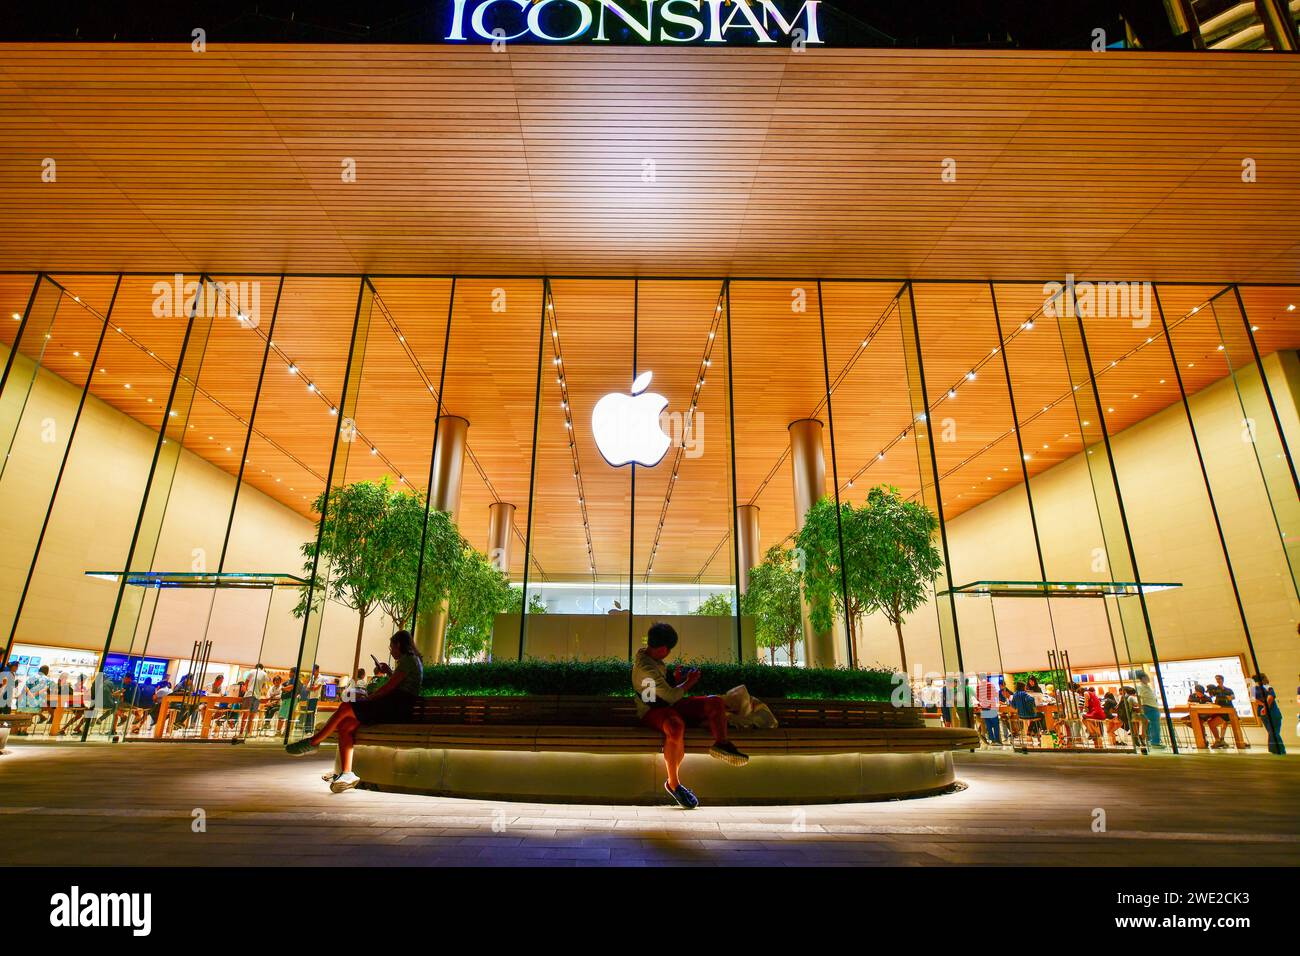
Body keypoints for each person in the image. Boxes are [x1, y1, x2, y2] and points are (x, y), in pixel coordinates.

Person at [285, 631, 423, 793]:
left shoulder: (408, 660)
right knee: (346, 725)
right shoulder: (412, 660)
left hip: (395, 707)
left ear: (399, 644)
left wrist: (370, 698)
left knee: (345, 707)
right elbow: (401, 682)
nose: (391, 651)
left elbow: (391, 687)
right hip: (396, 706)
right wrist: (388, 673)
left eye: (391, 647)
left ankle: (313, 742)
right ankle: (347, 773)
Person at [630, 621, 749, 809]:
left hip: (669, 705)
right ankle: (673, 783)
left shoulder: (651, 658)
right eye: (668, 649)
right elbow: (667, 696)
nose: (668, 653)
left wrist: (677, 681)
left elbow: (665, 692)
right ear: (663, 648)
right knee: (675, 726)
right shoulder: (646, 668)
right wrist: (688, 682)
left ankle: (722, 744)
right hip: (651, 711)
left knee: (715, 702)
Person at [1252, 673, 1285, 755]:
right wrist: (1265, 707)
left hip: (1268, 713)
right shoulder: (1265, 687)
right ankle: (1279, 750)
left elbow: (1256, 699)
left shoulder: (1259, 688)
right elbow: (1268, 698)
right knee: (1273, 732)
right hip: (1270, 713)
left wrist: (1263, 706)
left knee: (1272, 732)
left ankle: (1276, 750)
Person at [239, 663, 272, 737]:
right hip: (257, 696)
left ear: (255, 667)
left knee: (245, 715)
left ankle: (241, 733)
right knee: (252, 716)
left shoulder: (251, 671)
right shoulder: (264, 674)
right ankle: (248, 733)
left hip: (249, 694)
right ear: (262, 668)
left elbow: (246, 684)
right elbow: (269, 681)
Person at [1135, 671, 1163, 748]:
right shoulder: (1140, 687)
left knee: (1152, 725)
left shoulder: (1147, 687)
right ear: (1143, 678)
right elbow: (1139, 697)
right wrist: (1141, 708)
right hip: (1149, 707)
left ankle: (1152, 741)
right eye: (1146, 677)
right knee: (1155, 725)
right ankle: (1155, 742)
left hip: (1151, 706)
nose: (1148, 678)